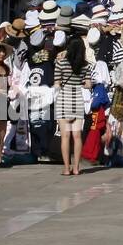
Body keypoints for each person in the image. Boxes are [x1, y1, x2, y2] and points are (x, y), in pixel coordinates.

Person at [54, 22, 92, 176]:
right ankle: (77, 168)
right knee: (77, 136)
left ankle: (66, 168)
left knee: (65, 136)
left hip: (64, 99)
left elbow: (56, 85)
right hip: (77, 99)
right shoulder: (85, 66)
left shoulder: (61, 63)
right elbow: (88, 85)